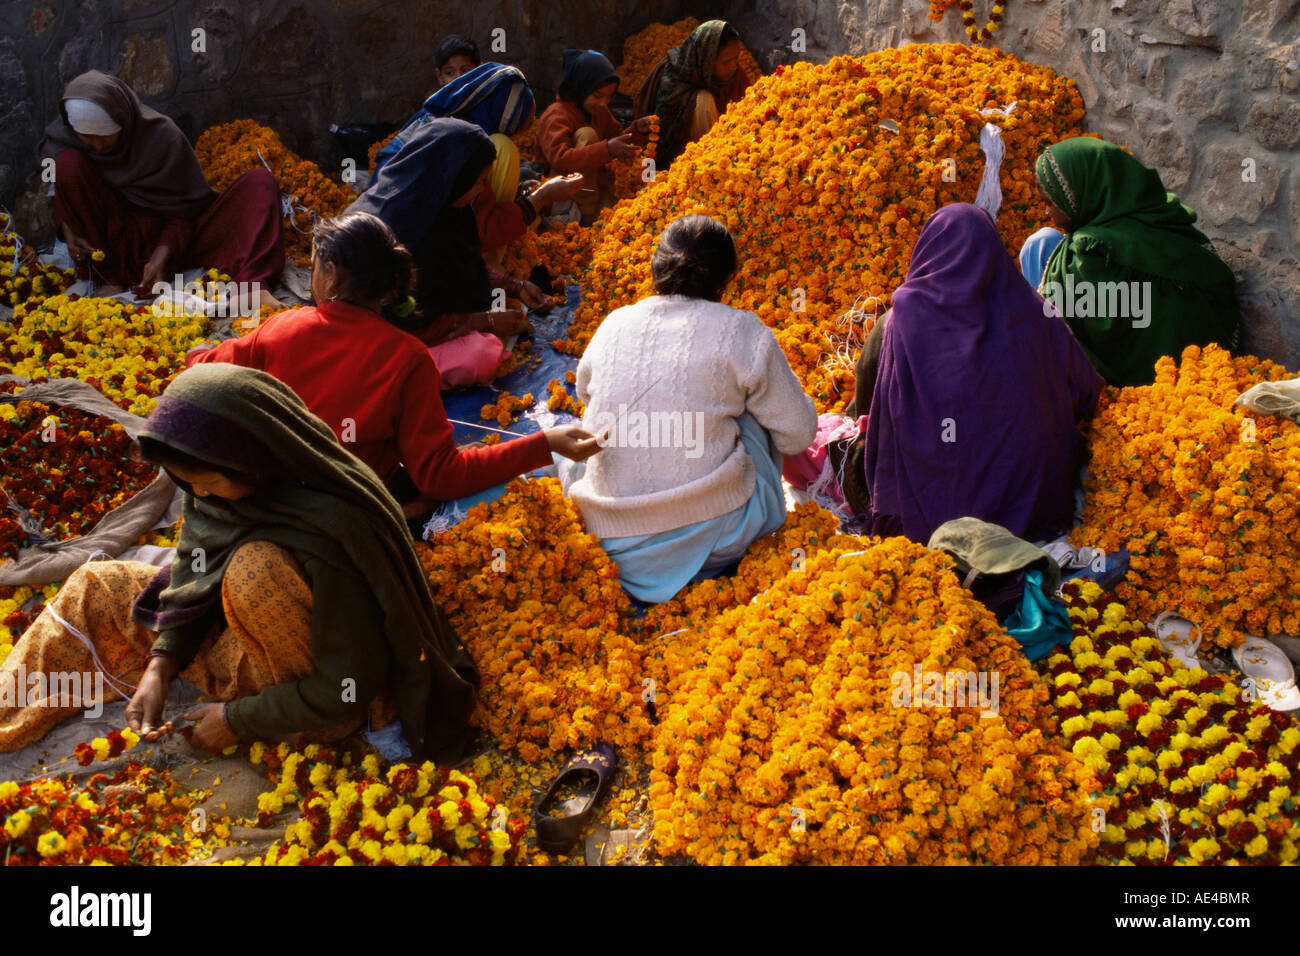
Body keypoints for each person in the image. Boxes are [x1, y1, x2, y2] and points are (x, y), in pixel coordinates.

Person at [0, 363, 480, 761]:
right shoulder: (221, 489)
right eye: (189, 485)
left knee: (254, 570)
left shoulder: (335, 526)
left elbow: (349, 683)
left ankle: (312, 729)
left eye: (208, 483)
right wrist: (160, 665)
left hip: (330, 689)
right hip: (245, 629)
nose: (200, 496)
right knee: (96, 585)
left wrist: (235, 721)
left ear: (253, 461)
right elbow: (194, 566)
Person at [187, 212, 600, 519]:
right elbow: (440, 476)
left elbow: (203, 371)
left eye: (313, 266)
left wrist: (197, 354)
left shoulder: (281, 328)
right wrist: (544, 444)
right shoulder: (407, 357)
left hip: (271, 505)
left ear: (329, 275)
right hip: (348, 512)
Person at [563, 214, 818, 603]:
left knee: (597, 432)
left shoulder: (614, 324)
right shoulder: (742, 330)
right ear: (726, 277)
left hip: (611, 541)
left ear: (657, 267)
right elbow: (798, 433)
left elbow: (585, 396)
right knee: (753, 413)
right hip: (722, 535)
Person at [861, 203, 1103, 544]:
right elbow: (1087, 391)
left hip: (937, 505)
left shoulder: (906, 317)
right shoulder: (1033, 310)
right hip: (1037, 503)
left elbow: (886, 410)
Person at [39, 70, 284, 308]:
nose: (98, 145)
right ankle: (109, 278)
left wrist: (160, 257)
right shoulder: (64, 143)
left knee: (260, 184)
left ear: (124, 120)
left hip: (175, 241)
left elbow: (186, 209)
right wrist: (67, 226)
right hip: (113, 244)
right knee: (68, 165)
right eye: (88, 137)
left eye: (106, 136)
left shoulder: (163, 138)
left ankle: (252, 285)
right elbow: (64, 196)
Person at [1023, 136, 1239, 386]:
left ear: (1078, 194)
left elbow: (1082, 335)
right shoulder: (1162, 214)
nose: (1046, 212)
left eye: (1050, 203)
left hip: (1159, 377)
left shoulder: (1090, 253)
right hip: (1212, 354)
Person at [348, 117, 549, 386]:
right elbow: (404, 325)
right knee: (480, 356)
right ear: (453, 175)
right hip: (370, 343)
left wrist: (514, 286)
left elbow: (461, 261)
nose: (482, 190)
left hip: (415, 324)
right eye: (479, 181)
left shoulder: (448, 209)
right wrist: (486, 321)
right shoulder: (394, 230)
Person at [372, 63, 583, 259]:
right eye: (513, 134)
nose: (485, 184)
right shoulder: (460, 150)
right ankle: (489, 261)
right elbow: (481, 231)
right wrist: (542, 197)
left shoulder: (434, 126)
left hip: (383, 244)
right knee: (503, 149)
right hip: (406, 262)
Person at [537, 50, 651, 223]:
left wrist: (637, 131)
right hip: (560, 193)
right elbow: (560, 158)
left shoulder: (599, 112)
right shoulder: (556, 115)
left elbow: (618, 139)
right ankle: (582, 216)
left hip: (591, 187)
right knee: (587, 134)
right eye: (597, 96)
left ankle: (591, 214)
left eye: (608, 97)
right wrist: (606, 150)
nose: (603, 103)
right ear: (579, 87)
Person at [637, 20, 754, 171]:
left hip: (733, 150)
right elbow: (663, 132)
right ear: (706, 60)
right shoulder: (675, 77)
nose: (733, 66)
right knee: (703, 101)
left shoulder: (735, 75)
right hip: (682, 161)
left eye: (735, 59)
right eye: (726, 62)